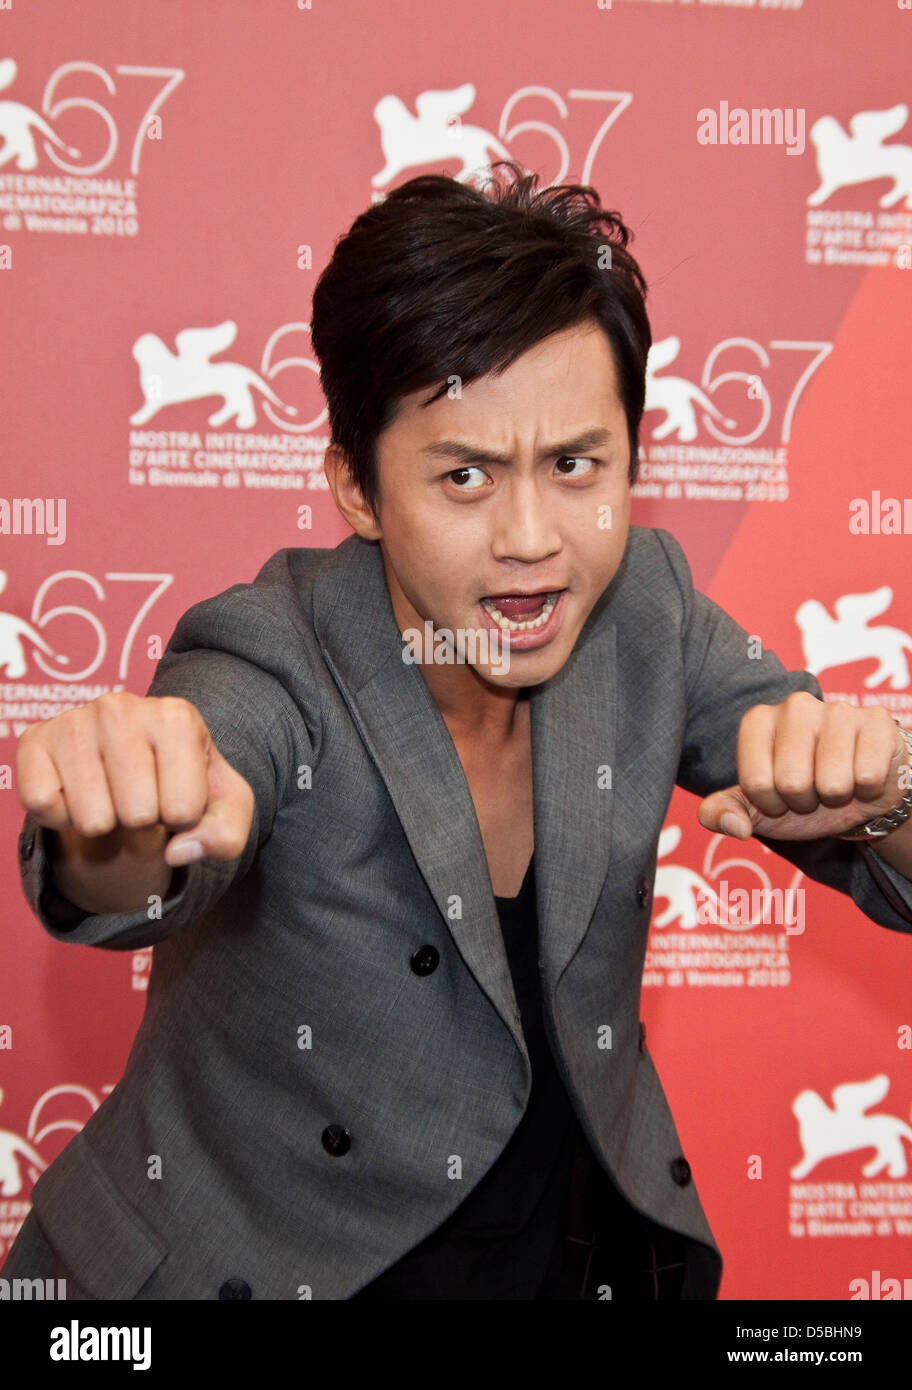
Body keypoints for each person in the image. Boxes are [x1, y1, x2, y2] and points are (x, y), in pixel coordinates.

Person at [5, 163, 912, 1301]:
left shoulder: (650, 613)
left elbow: (876, 825)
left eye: (576, 465)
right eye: (466, 475)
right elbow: (157, 832)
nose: (532, 537)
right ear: (358, 490)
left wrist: (886, 793)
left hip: (559, 1259)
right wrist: (126, 823)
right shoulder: (270, 649)